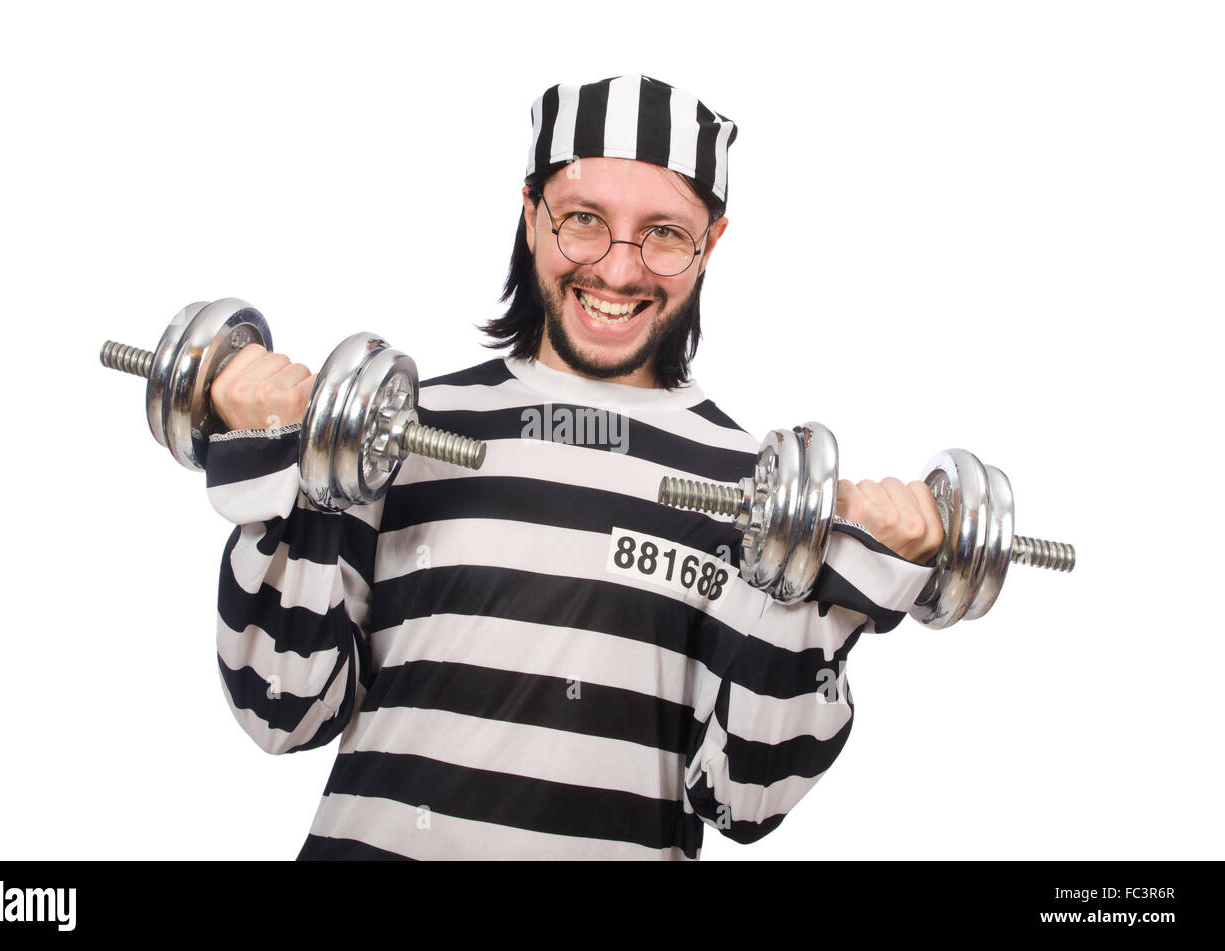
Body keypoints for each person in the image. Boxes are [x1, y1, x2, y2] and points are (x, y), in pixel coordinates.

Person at [204, 75, 945, 860]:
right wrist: (279, 467)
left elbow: (743, 798)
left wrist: (828, 596)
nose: (620, 272)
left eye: (664, 233)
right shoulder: (399, 430)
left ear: (713, 243)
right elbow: (282, 708)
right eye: (584, 221)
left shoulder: (754, 492)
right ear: (531, 216)